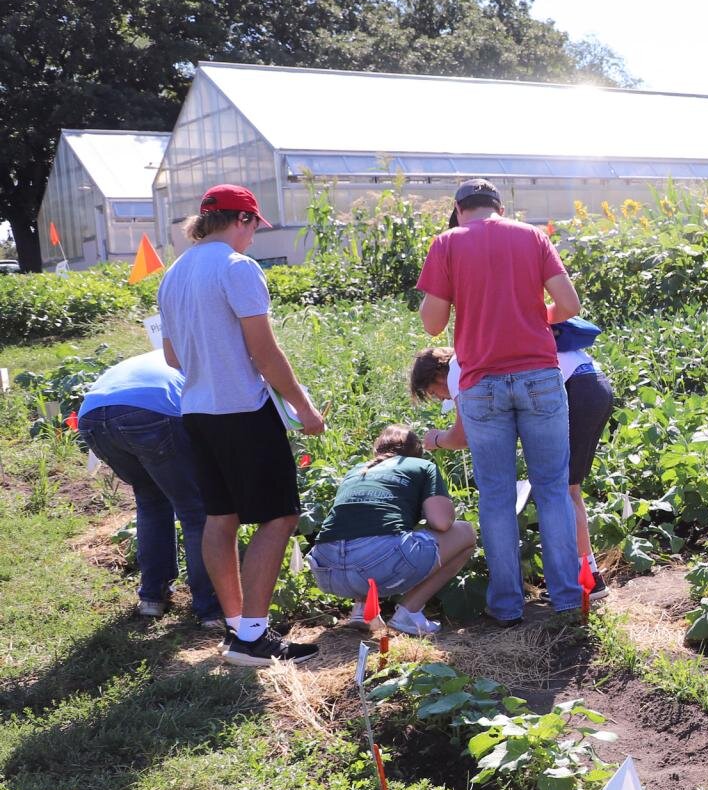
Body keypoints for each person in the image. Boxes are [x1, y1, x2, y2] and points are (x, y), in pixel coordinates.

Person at [158, 183, 322, 667]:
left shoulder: (174, 273)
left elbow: (171, 355)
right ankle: (253, 636)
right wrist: (305, 408)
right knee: (280, 516)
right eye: (254, 227)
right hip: (243, 411)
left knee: (220, 517)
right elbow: (264, 352)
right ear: (242, 220)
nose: (254, 238)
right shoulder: (236, 267)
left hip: (197, 410)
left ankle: (237, 627)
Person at [417, 178, 584, 626]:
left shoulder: (447, 243)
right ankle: (568, 597)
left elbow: (433, 325)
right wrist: (534, 317)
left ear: (458, 208)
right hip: (539, 376)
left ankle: (507, 605)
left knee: (495, 496)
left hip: (482, 382)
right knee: (552, 488)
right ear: (499, 206)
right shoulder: (532, 235)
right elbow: (569, 303)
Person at [410, 332, 614, 601]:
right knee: (567, 487)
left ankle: (585, 582)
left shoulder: (459, 367)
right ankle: (585, 577)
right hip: (592, 384)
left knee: (562, 490)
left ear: (437, 376)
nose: (440, 398)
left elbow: (464, 435)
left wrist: (436, 439)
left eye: (434, 394)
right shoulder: (478, 353)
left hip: (577, 390)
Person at [76, 350, 221, 628]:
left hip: (92, 416)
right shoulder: (199, 358)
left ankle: (153, 598)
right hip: (150, 412)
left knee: (151, 501)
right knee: (195, 510)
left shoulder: (153, 357)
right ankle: (210, 608)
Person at [308, 425, 475, 635]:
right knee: (466, 533)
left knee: (364, 528)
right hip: (377, 563)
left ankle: (362, 610)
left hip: (326, 570)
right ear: (416, 452)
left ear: (377, 450)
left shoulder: (357, 470)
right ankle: (409, 613)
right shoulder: (421, 466)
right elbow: (441, 522)